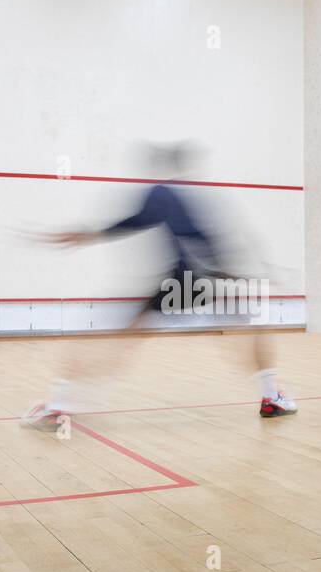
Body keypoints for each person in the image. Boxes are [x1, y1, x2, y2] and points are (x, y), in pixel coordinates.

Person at [22, 141, 297, 429]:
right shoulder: (189, 194)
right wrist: (238, 276)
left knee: (124, 338)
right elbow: (207, 241)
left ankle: (60, 405)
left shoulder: (162, 192)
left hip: (185, 281)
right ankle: (270, 397)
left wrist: (91, 234)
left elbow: (138, 221)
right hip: (202, 281)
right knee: (252, 326)